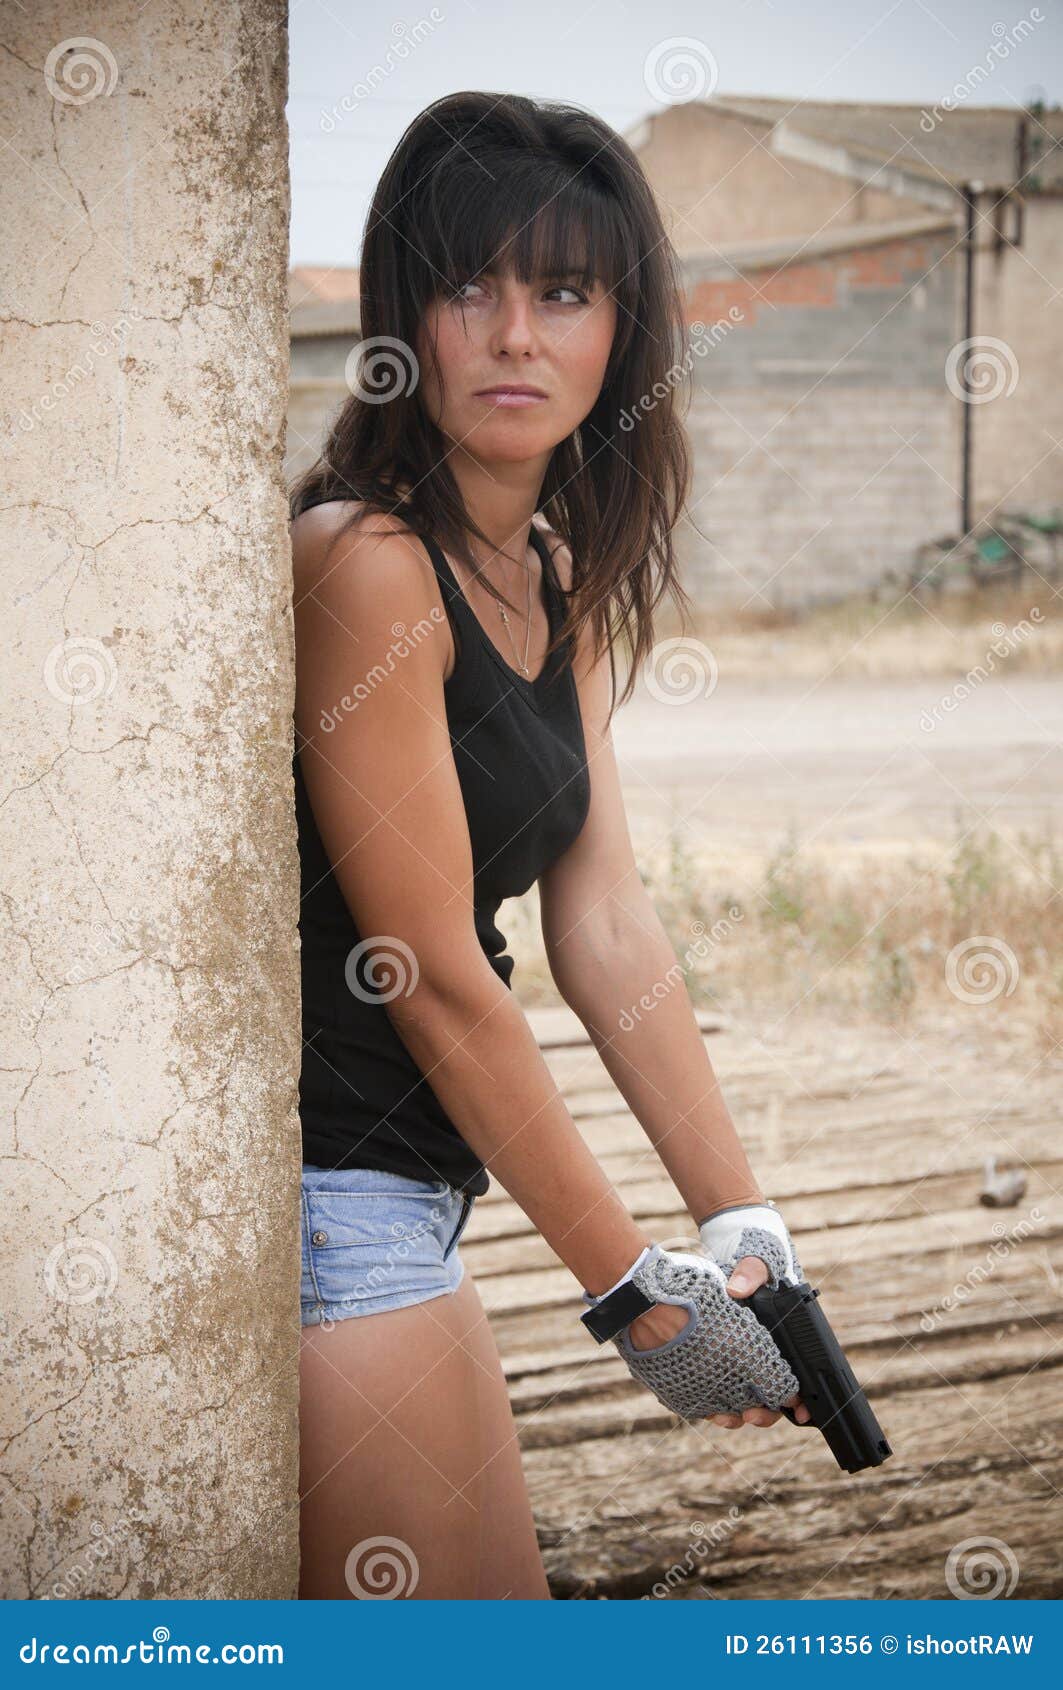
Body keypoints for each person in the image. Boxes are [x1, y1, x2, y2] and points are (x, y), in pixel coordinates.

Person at [289, 89, 808, 1603]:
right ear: (406, 318)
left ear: (619, 330)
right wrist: (636, 1292)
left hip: (412, 1187)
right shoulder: (365, 564)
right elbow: (437, 972)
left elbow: (607, 925)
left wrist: (741, 1214)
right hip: (339, 1194)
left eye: (564, 292)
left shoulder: (551, 571)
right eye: (470, 287)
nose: (516, 334)